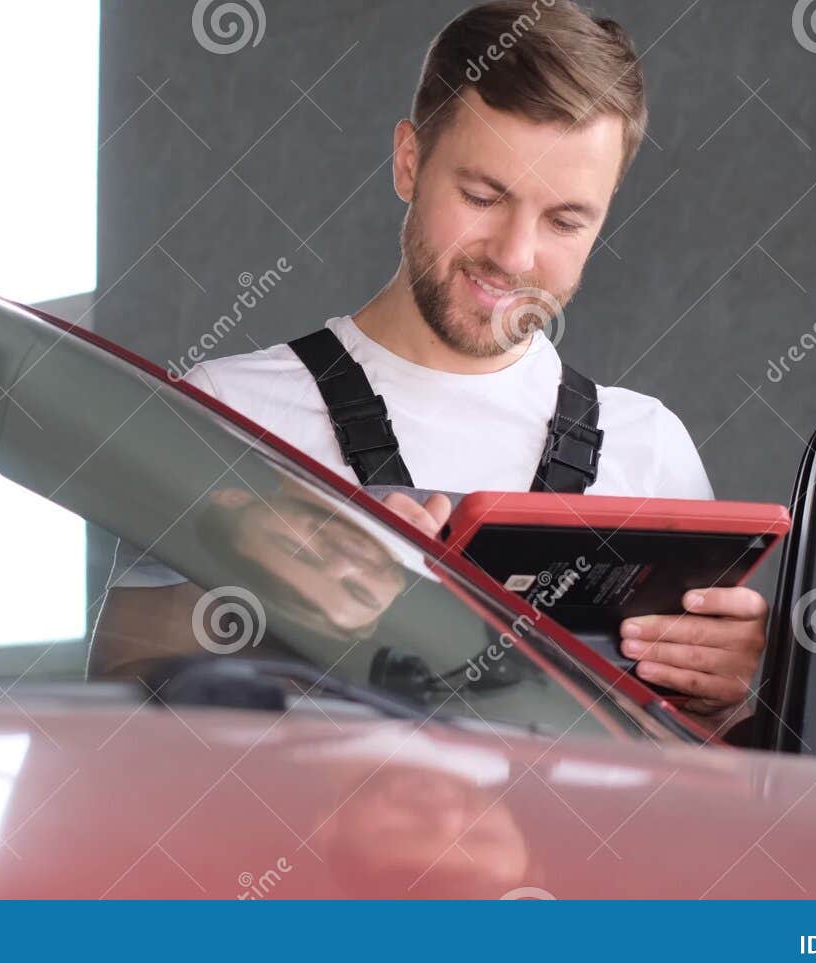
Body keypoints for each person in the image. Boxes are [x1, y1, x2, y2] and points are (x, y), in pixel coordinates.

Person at [171, 0, 768, 731]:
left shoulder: (650, 446)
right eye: (484, 196)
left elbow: (698, 785)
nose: (515, 256)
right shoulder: (228, 413)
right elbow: (127, 708)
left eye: (565, 221)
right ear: (409, 162)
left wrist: (724, 701)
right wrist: (266, 607)